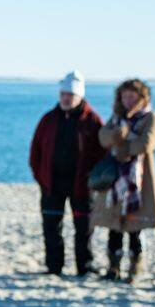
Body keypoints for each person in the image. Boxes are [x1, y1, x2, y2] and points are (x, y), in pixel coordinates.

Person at [28, 72, 102, 276]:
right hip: (52, 184)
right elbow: (35, 151)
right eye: (63, 94)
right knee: (51, 227)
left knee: (84, 229)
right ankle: (54, 267)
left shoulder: (92, 120)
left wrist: (92, 181)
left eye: (70, 95)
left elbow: (102, 153)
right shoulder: (49, 119)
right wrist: (40, 177)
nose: (66, 98)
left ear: (79, 96)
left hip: (82, 186)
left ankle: (84, 266)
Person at [92, 79, 155, 282]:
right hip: (115, 179)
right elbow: (103, 136)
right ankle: (113, 267)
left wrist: (125, 148)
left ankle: (135, 267)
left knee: (135, 227)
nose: (128, 100)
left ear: (142, 97)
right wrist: (116, 135)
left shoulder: (150, 117)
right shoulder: (117, 118)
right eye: (125, 96)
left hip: (137, 181)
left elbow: (147, 142)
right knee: (114, 226)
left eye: (132, 96)